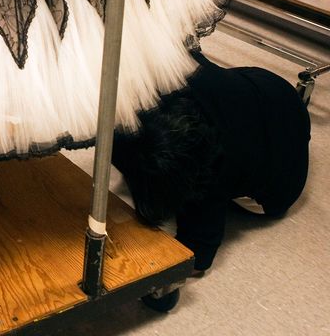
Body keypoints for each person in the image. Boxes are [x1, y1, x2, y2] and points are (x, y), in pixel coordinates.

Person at [111, 53, 311, 273]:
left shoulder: (211, 174)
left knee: (186, 200)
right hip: (267, 87)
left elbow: (196, 257)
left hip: (280, 179)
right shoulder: (174, 70)